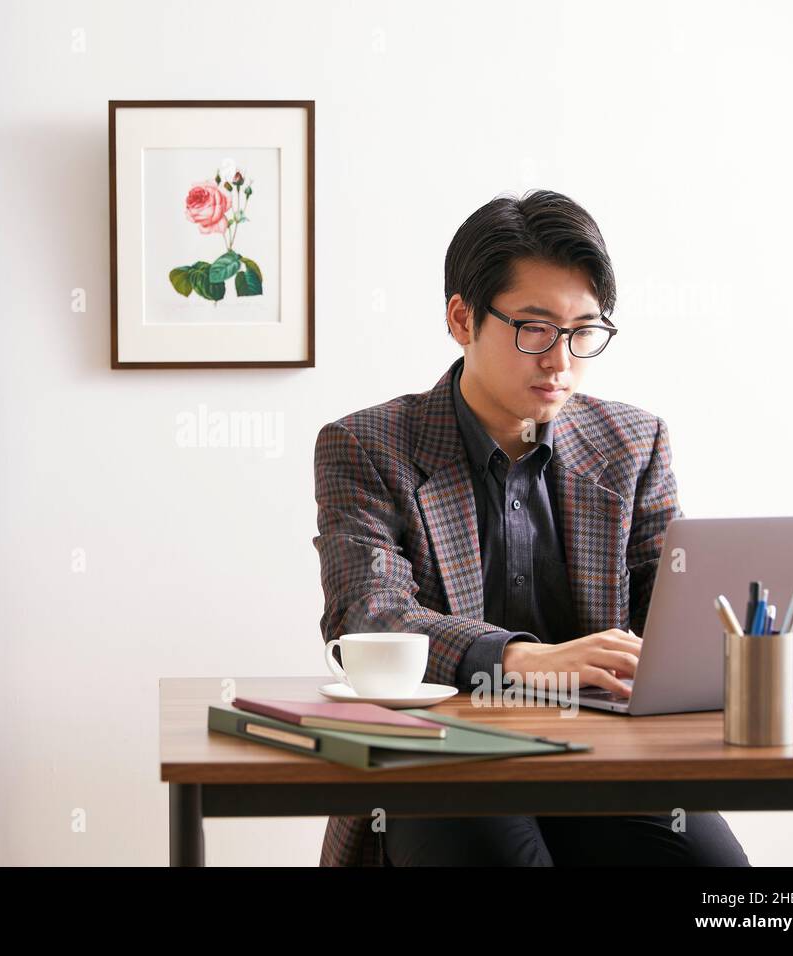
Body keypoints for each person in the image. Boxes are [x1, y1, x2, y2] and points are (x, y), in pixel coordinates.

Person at [312, 189, 750, 867]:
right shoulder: (368, 446)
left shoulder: (633, 443)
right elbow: (366, 620)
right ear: (462, 318)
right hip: (434, 760)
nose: (561, 361)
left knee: (721, 879)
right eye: (535, 329)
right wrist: (528, 659)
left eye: (583, 332)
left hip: (605, 761)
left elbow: (671, 613)